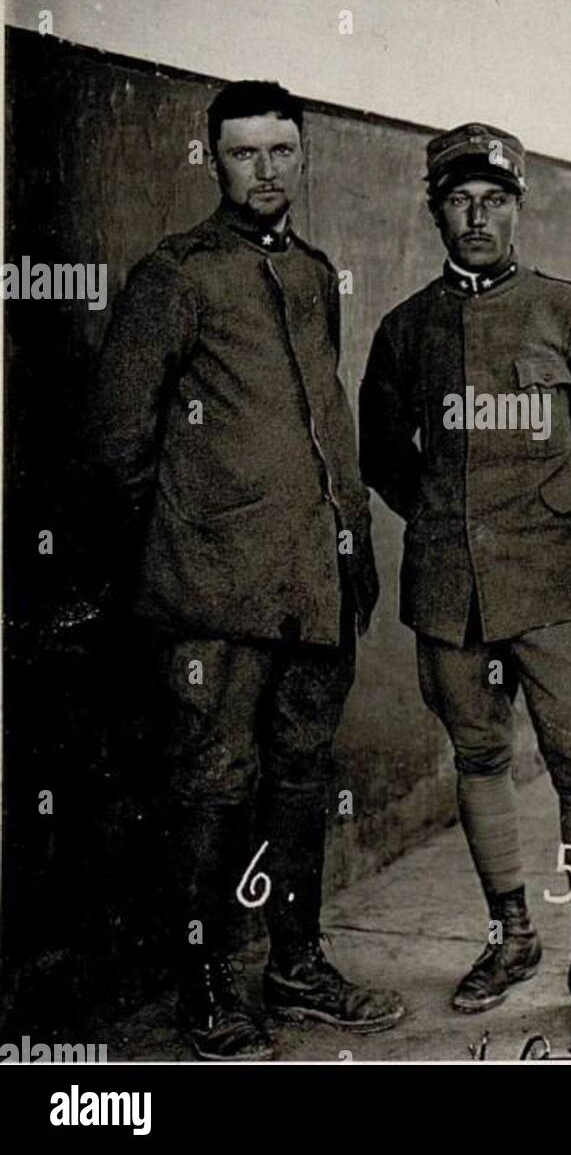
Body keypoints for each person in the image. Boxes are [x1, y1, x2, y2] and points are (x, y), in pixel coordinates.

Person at [92, 81, 405, 1060]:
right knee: (214, 785)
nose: (265, 171)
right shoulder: (175, 276)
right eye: (243, 154)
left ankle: (296, 965)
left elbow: (328, 427)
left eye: (280, 152)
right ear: (212, 161)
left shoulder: (312, 274)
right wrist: (188, 546)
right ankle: (208, 983)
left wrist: (349, 542)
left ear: (300, 157)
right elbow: (116, 441)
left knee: (299, 779)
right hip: (212, 597)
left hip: (316, 589)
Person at [359, 123, 571, 1053]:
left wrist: (547, 516)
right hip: (449, 592)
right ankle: (511, 935)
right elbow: (383, 458)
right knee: (477, 760)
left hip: (555, 583)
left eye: (495, 202)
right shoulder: (406, 329)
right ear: (436, 210)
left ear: (519, 209)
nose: (477, 218)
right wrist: (450, 521)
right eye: (459, 201)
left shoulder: (569, 312)